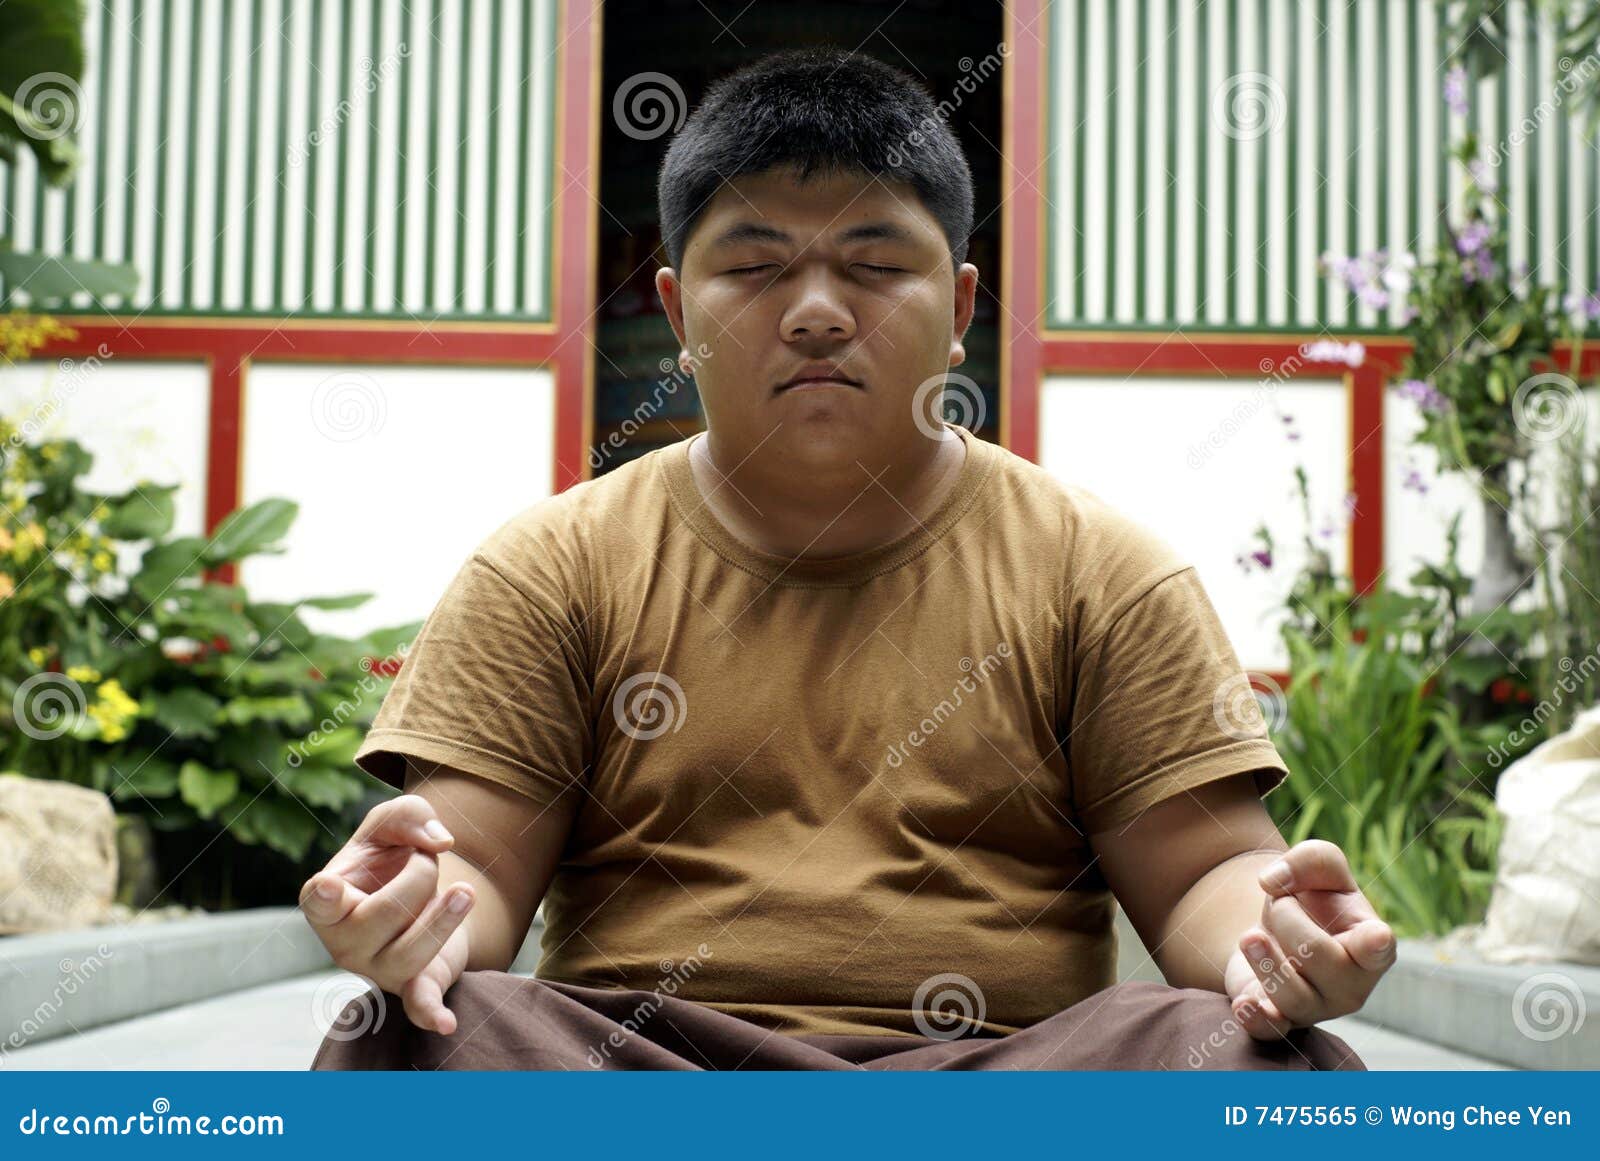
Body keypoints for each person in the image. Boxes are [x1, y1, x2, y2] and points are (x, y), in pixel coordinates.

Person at [305, 47, 1392, 1071]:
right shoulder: (550, 566)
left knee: (1268, 1063)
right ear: (680, 310)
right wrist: (416, 913)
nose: (819, 312)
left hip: (1004, 1075)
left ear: (959, 307)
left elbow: (1205, 869)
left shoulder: (1098, 571)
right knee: (404, 1036)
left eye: (874, 265)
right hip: (640, 1069)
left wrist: (1276, 932)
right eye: (756, 267)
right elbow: (474, 875)